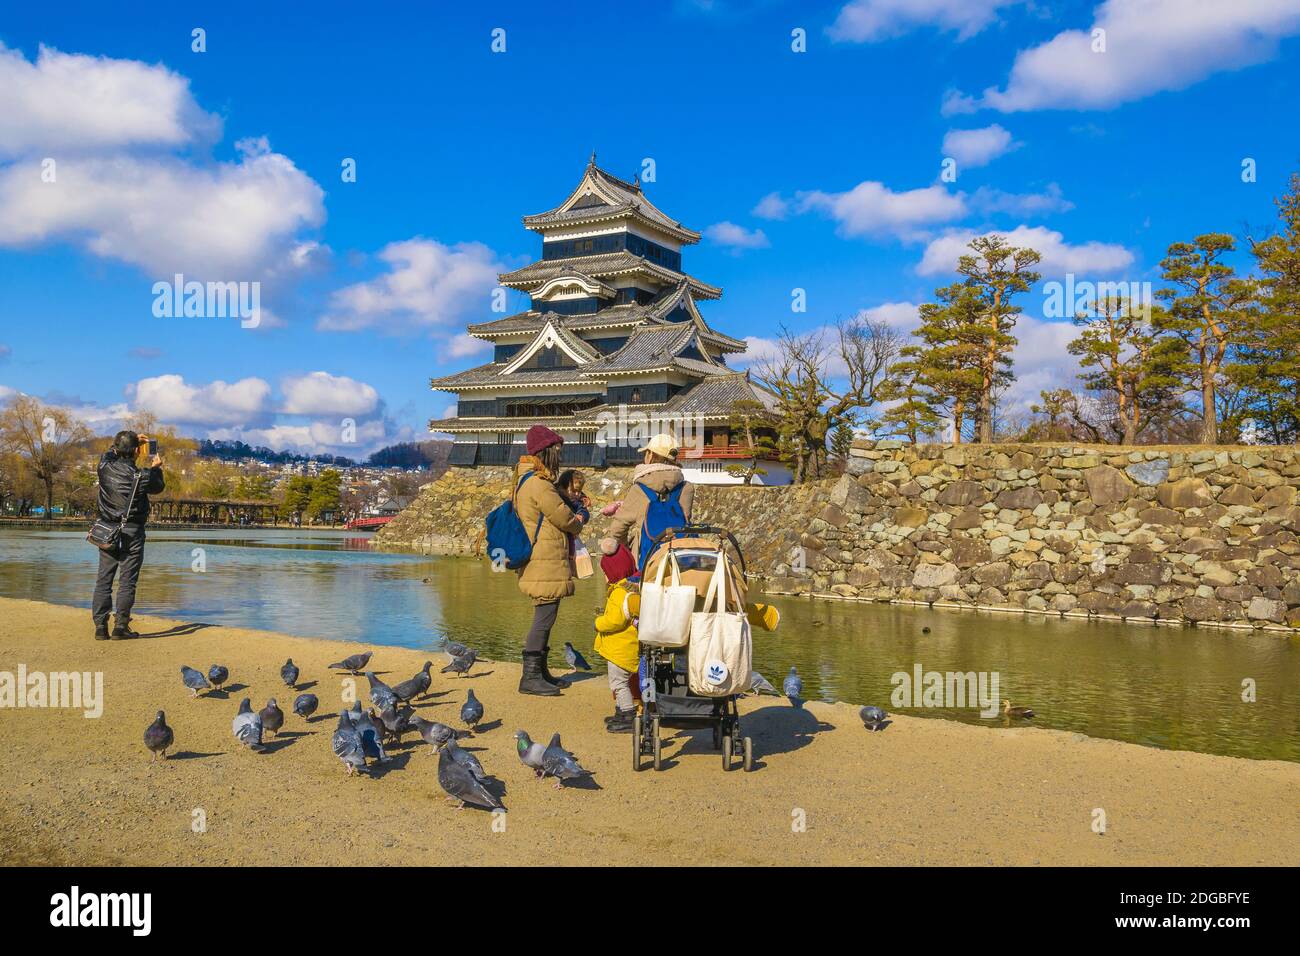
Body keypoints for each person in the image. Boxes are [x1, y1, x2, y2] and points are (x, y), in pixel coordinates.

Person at [513, 425, 586, 696]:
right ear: (546, 452)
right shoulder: (539, 484)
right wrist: (578, 519)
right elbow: (563, 518)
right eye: (557, 450)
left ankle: (540, 672)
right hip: (544, 558)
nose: (560, 455)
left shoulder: (528, 481)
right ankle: (530, 678)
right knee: (544, 616)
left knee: (546, 614)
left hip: (541, 557)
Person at [92, 431, 165, 639]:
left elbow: (108, 453)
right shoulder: (142, 475)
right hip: (132, 530)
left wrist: (127, 443)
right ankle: (120, 627)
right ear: (136, 451)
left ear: (116, 448)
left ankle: (100, 627)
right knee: (127, 580)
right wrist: (156, 468)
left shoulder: (104, 466)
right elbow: (158, 487)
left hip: (107, 530)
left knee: (103, 579)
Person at [606, 432, 694, 569]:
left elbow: (618, 528)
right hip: (680, 558)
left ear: (651, 455)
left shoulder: (640, 488)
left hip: (648, 561)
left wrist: (625, 550)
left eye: (646, 453)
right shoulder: (686, 488)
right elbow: (684, 519)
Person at [593, 540, 641, 733]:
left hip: (619, 650)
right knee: (621, 682)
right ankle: (621, 711)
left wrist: (598, 623)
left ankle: (628, 715)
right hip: (628, 648)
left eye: (605, 573)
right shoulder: (634, 590)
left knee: (619, 683)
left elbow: (615, 620)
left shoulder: (619, 594)